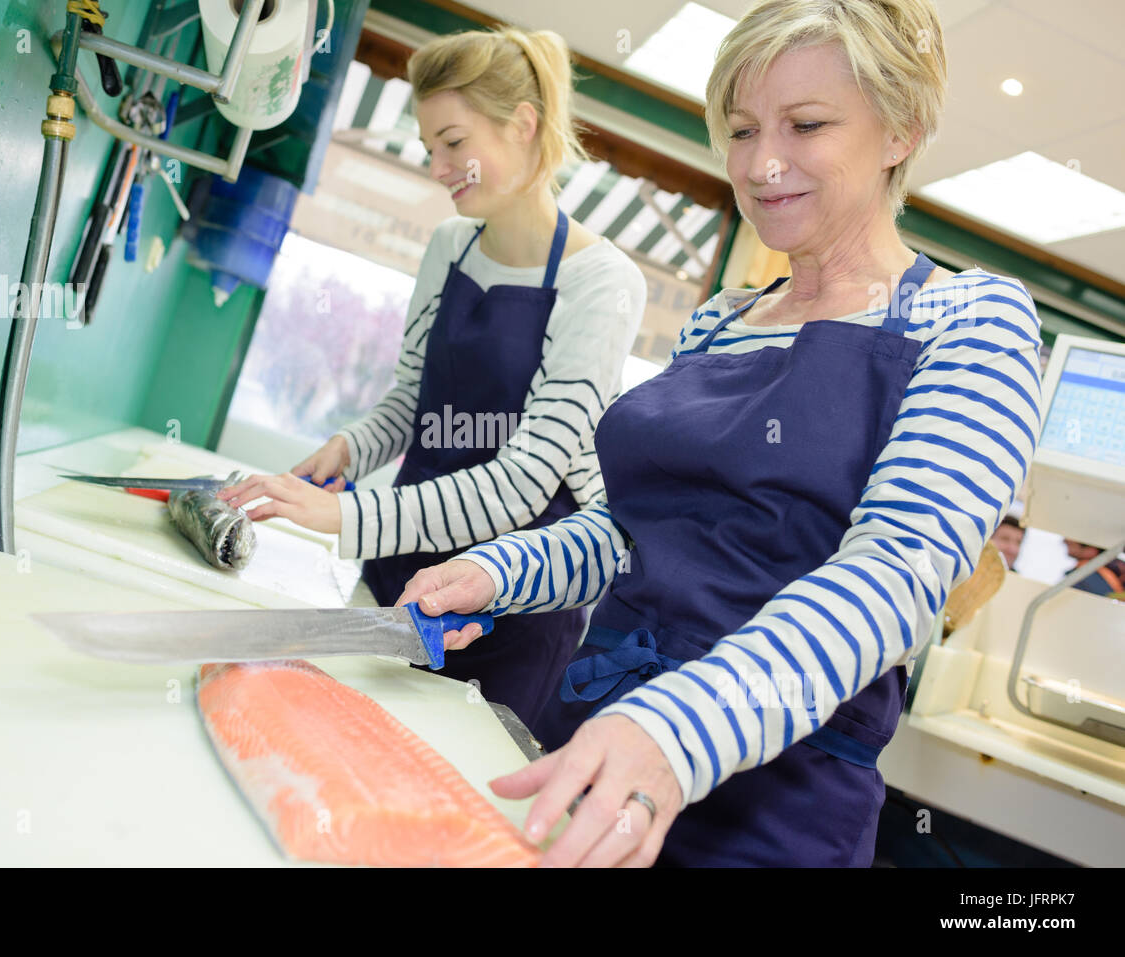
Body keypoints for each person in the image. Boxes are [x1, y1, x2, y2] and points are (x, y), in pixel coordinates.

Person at [398, 0, 1043, 867]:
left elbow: (894, 574)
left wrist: (675, 729)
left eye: (807, 124)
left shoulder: (971, 320)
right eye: (741, 131)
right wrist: (500, 568)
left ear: (903, 130)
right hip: (590, 744)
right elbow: (633, 533)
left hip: (769, 806)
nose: (763, 163)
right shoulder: (720, 322)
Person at [218, 27, 647, 733]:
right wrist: (351, 448)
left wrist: (343, 517)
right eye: (429, 149)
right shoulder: (451, 245)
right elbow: (413, 400)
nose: (438, 167)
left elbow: (523, 483)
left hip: (510, 614)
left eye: (453, 142)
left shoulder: (600, 281)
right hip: (399, 577)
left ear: (524, 125)